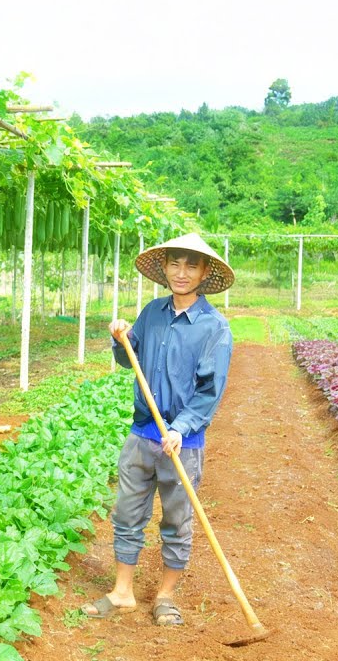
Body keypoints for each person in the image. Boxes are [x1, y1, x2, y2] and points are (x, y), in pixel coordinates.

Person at [81, 232, 234, 627]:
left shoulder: (215, 328)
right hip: (142, 434)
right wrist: (120, 337)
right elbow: (128, 358)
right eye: (174, 264)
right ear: (164, 268)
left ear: (204, 273)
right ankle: (123, 592)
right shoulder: (152, 312)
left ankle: (165, 596)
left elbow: (209, 392)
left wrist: (181, 429)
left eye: (191, 265)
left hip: (182, 443)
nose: (181, 273)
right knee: (127, 513)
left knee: (177, 520)